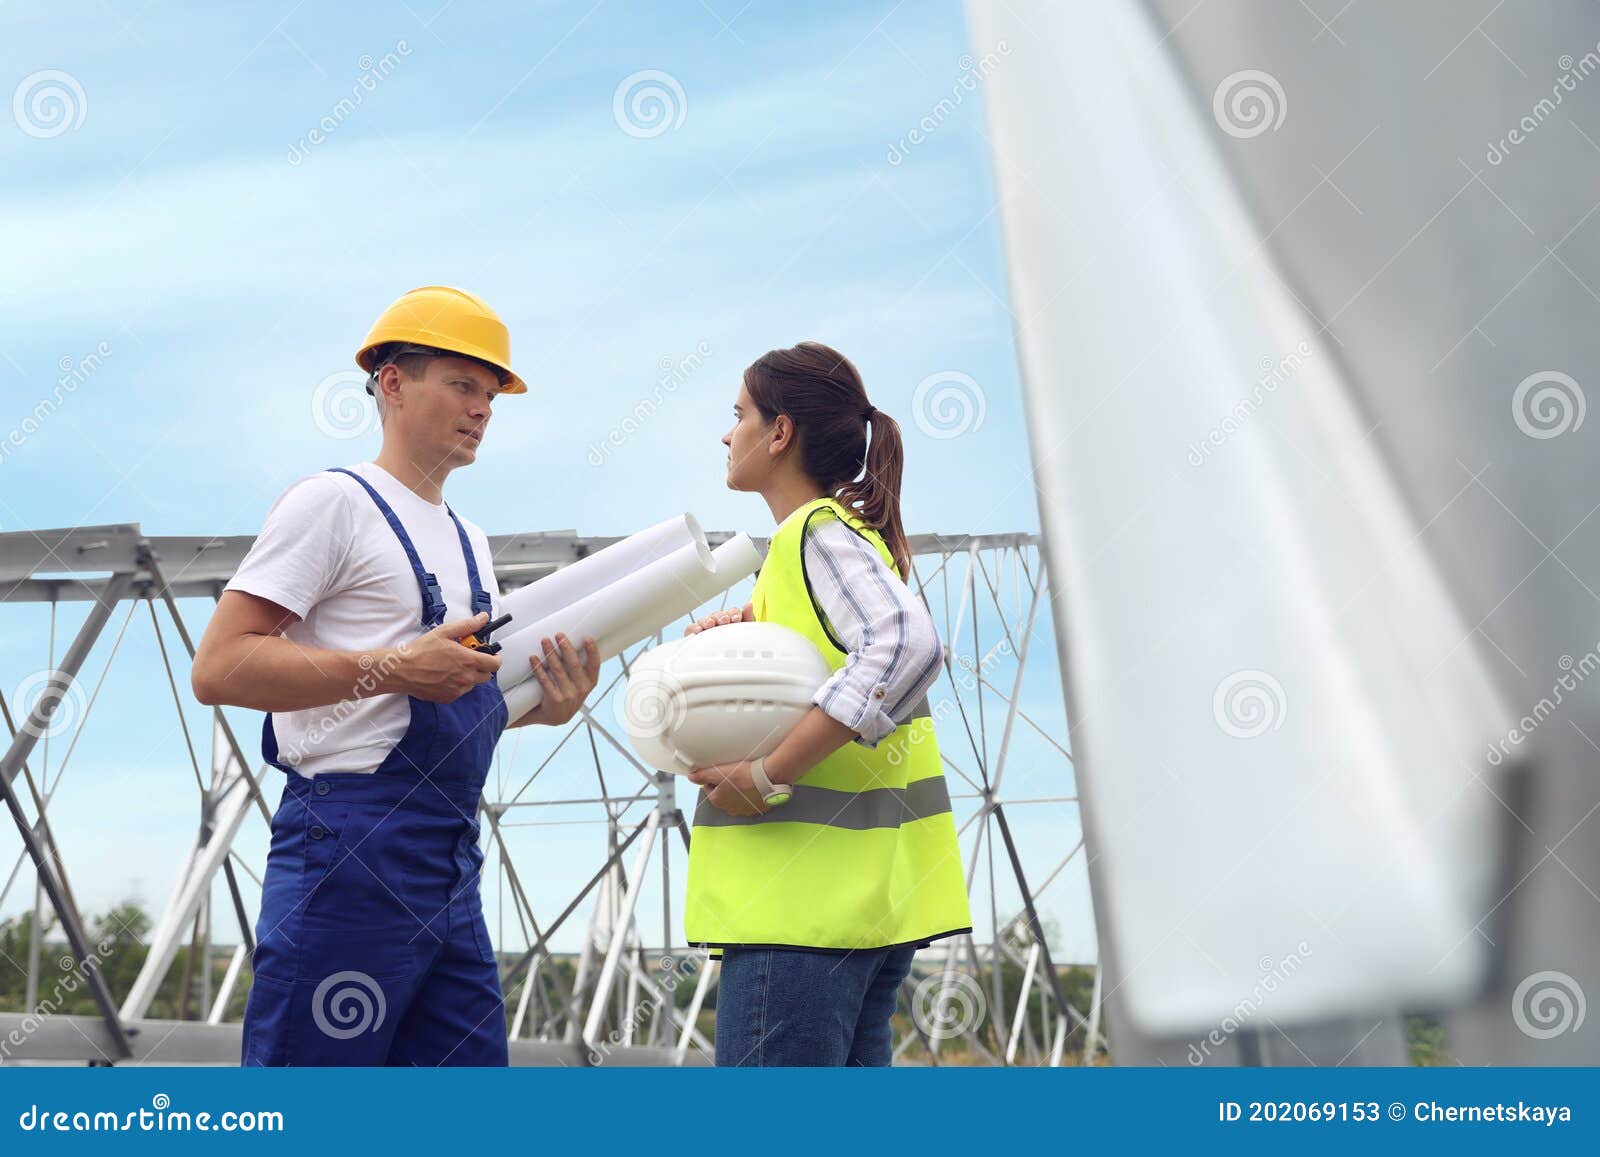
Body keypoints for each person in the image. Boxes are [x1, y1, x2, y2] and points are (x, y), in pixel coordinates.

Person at [191, 285, 600, 1066]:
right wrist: (393, 667)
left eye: (490, 394)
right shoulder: (332, 503)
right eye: (462, 384)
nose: (481, 408)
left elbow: (435, 696)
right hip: (347, 848)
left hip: (449, 858)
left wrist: (532, 709)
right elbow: (219, 665)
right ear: (392, 382)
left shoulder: (471, 541)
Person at [682, 341, 972, 1066]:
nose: (727, 433)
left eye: (740, 415)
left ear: (780, 433)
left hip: (801, 918)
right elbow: (866, 649)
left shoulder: (815, 533)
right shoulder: (832, 542)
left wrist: (766, 773)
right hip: (856, 912)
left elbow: (908, 642)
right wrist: (757, 635)